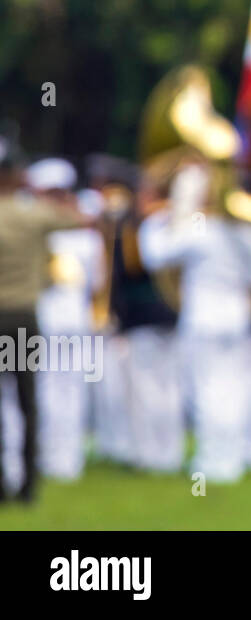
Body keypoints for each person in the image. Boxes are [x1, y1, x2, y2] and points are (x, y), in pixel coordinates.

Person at [137, 161, 251, 484]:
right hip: (237, 316)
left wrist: (161, 217)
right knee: (234, 388)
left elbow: (154, 255)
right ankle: (232, 458)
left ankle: (213, 460)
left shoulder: (201, 230)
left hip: (203, 317)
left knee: (206, 391)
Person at [0, 140, 89, 502]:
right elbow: (81, 219)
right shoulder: (34, 212)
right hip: (23, 316)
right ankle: (29, 483)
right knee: (27, 403)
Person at [27, 158, 105, 482]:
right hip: (76, 321)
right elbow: (98, 284)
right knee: (70, 391)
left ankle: (49, 457)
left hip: (45, 320)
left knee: (47, 390)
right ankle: (67, 461)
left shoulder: (34, 231)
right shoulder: (86, 235)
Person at [102, 169, 184, 473]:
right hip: (169, 318)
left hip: (143, 319)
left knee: (147, 390)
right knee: (167, 389)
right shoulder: (178, 224)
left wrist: (119, 318)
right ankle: (167, 454)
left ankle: (151, 455)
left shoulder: (138, 228)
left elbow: (120, 278)